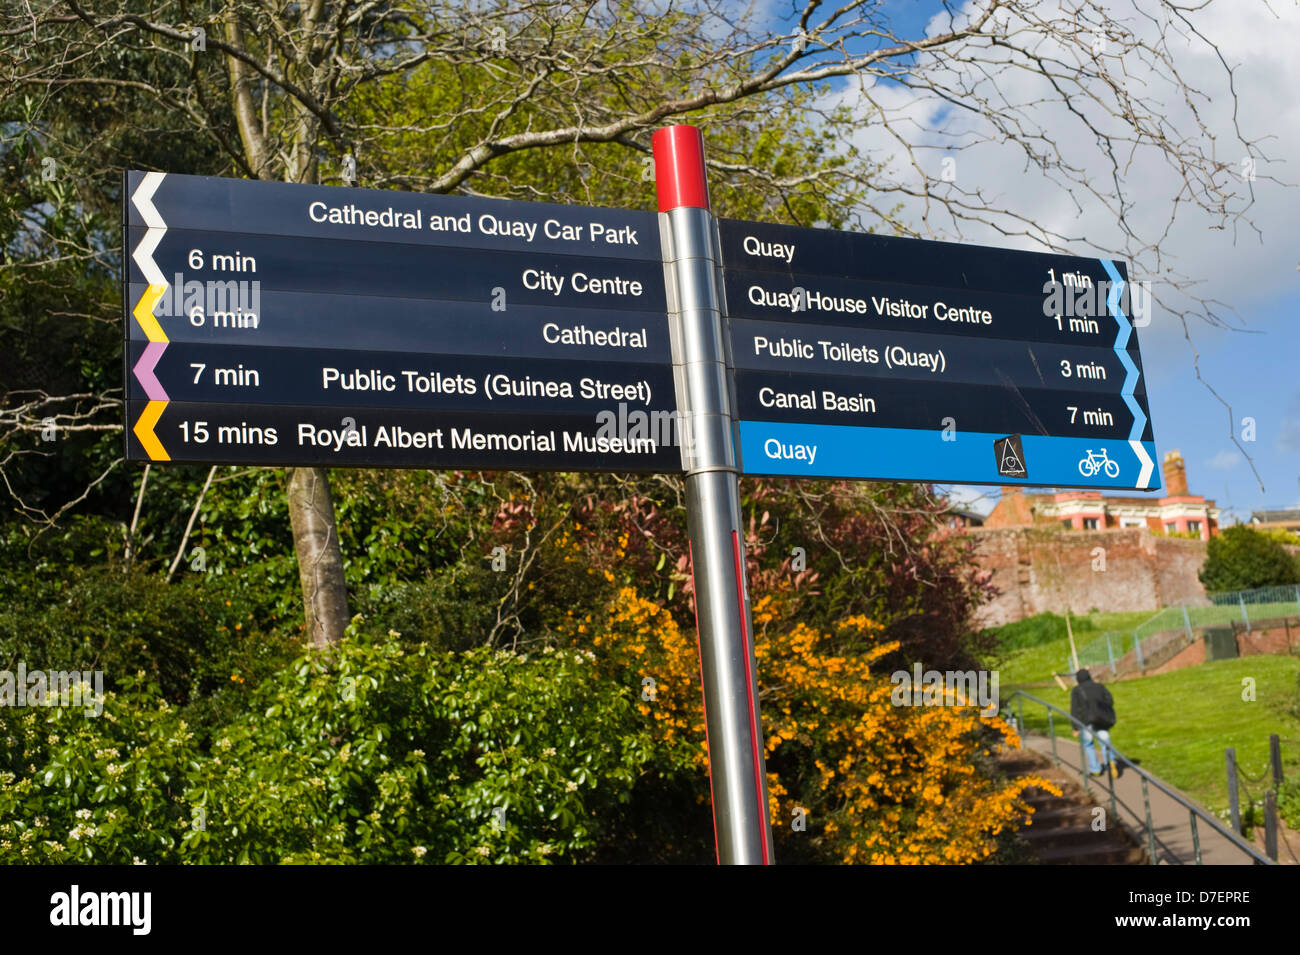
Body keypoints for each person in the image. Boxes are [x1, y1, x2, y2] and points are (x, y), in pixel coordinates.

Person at [1070, 668, 1120, 777]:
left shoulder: (1076, 690)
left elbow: (1074, 709)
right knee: (1105, 742)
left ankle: (1095, 768)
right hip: (1101, 719)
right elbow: (1110, 700)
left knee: (1088, 744)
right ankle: (1111, 761)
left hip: (1086, 721)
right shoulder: (1099, 686)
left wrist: (1075, 727)